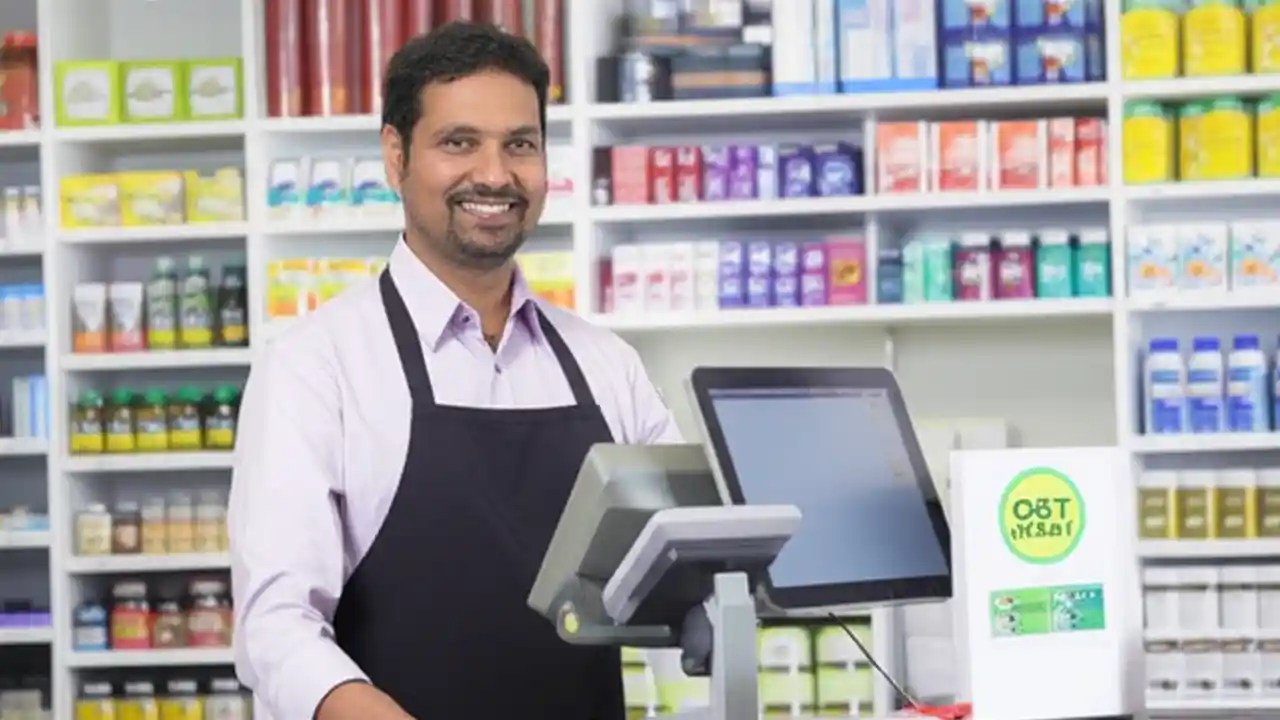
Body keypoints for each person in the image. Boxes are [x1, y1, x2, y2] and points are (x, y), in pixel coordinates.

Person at [228, 21, 681, 720]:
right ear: (395, 154)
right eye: (459, 142)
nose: (496, 175)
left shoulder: (606, 365)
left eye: (520, 145)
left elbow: (684, 565)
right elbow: (277, 628)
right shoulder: (315, 369)